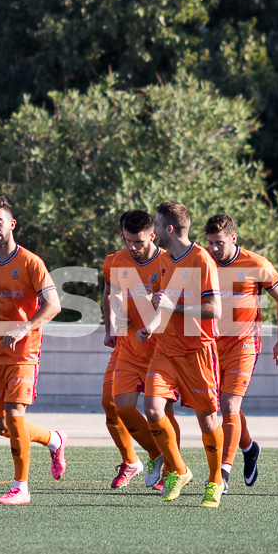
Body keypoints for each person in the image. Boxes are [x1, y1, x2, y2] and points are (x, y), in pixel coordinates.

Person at [0, 195, 66, 505]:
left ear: (12, 224)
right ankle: (54, 439)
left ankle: (20, 487)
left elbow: (54, 306)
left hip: (25, 351)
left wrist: (24, 328)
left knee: (15, 415)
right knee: (2, 426)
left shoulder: (31, 263)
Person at [137, 202, 226, 508]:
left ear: (169, 230)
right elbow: (164, 303)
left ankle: (215, 480)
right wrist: (150, 326)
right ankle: (179, 470)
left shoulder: (201, 259)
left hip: (197, 351)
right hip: (166, 349)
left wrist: (173, 307)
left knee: (207, 421)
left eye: (157, 227)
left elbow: (215, 309)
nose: (154, 231)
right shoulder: (164, 261)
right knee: (152, 409)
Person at [204, 214, 278, 494]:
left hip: (244, 344)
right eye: (210, 243)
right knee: (224, 407)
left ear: (233, 238)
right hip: (211, 344)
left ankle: (222, 474)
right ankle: (250, 448)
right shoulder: (203, 263)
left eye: (219, 243)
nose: (214, 249)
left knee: (228, 407)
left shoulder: (256, 263)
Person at [103, 210, 172, 490]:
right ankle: (149, 456)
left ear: (153, 235)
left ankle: (171, 468)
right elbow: (111, 293)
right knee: (114, 404)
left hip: (161, 348)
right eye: (128, 240)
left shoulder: (168, 262)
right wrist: (112, 326)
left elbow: (177, 306)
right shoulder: (115, 261)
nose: (133, 247)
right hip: (128, 346)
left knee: (162, 412)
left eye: (139, 242)